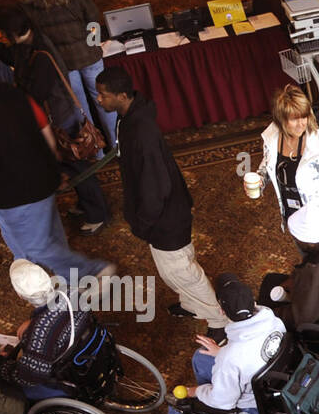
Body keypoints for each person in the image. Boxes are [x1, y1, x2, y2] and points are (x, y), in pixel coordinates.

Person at [0, 52, 112, 283]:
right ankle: (68, 283)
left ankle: (92, 271)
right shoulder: (14, 92)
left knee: (37, 247)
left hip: (12, 191)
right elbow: (45, 129)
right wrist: (53, 166)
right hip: (43, 178)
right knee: (52, 235)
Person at [95, 66, 229, 336]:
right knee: (174, 268)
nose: (99, 100)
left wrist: (144, 222)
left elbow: (156, 185)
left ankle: (218, 321)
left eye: (103, 95)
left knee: (182, 271)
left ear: (122, 96)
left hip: (164, 216)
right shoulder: (129, 117)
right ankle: (191, 304)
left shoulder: (141, 132)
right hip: (161, 212)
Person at [0, 4, 109, 237]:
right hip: (54, 117)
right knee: (70, 166)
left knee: (78, 166)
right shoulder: (29, 39)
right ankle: (86, 204)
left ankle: (98, 214)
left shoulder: (40, 53)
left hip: (60, 119)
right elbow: (16, 57)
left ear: (8, 31)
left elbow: (34, 93)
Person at [143, 275, 284, 414]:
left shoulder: (231, 358)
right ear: (253, 302)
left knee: (178, 407)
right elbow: (250, 355)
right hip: (274, 388)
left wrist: (193, 391)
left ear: (222, 311)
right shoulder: (273, 321)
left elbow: (222, 402)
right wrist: (221, 353)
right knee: (201, 357)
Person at [258, 85, 319, 243]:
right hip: (294, 217)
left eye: (303, 117)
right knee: (306, 258)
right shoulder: (272, 138)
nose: (301, 124)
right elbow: (268, 161)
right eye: (294, 119)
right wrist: (260, 179)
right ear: (281, 119)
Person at [17, 0, 117, 154]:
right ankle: (117, 147)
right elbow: (92, 19)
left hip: (61, 63)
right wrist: (94, 45)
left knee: (79, 107)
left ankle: (94, 151)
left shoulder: (27, 4)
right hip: (88, 55)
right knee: (105, 101)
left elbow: (35, 37)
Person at [0, 258, 89, 400]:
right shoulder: (73, 293)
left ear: (20, 296)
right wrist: (34, 320)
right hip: (85, 351)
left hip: (64, 379)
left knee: (4, 386)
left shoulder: (39, 335)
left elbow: (28, 378)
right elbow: (59, 316)